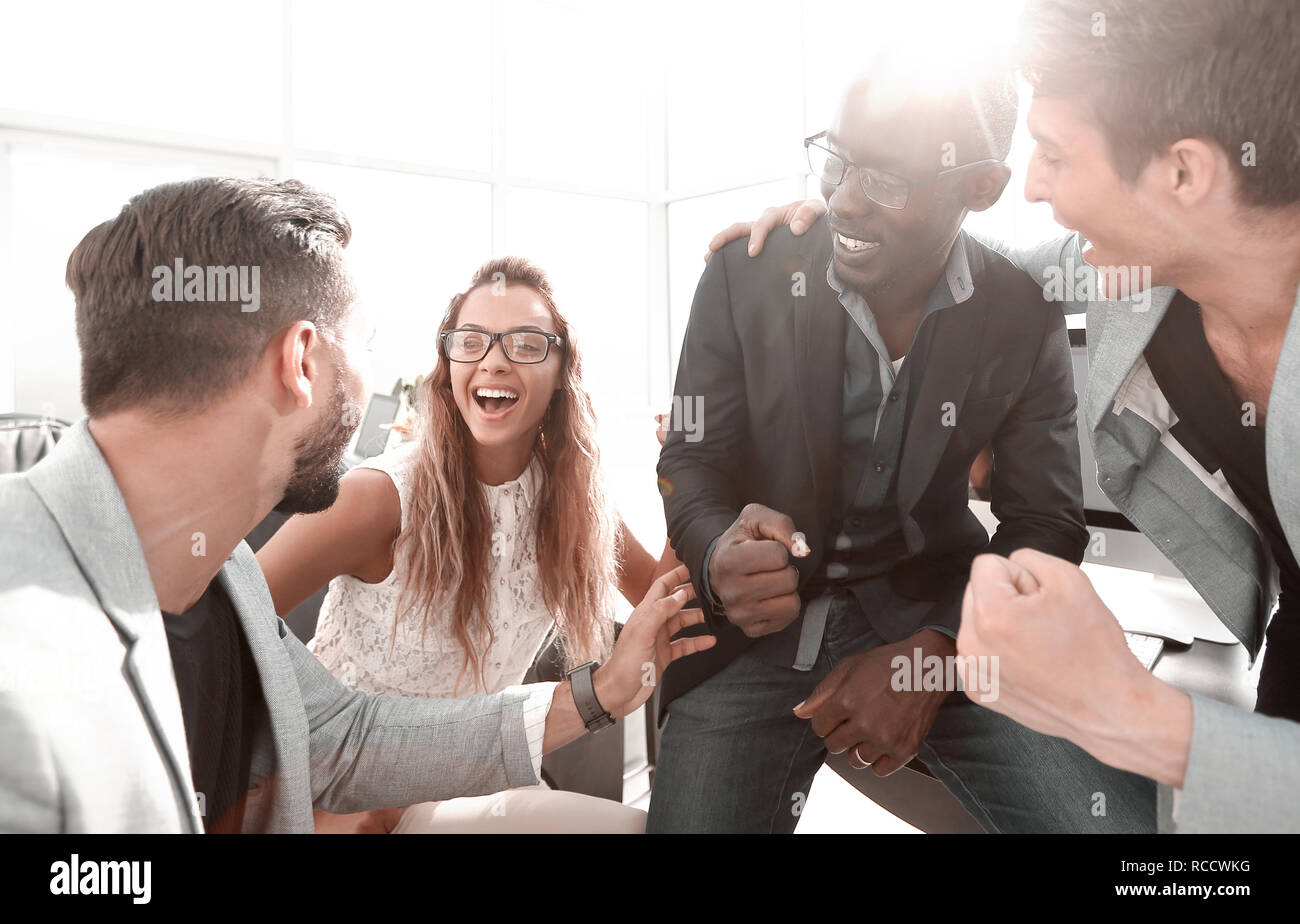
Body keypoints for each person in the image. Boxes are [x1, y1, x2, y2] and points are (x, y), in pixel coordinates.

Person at [710, 0, 1300, 834]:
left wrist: (1130, 712)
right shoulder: (1139, 269)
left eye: (1056, 155)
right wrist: (831, 227)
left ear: (1185, 174)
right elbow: (967, 258)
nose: (1032, 184)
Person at [0, 176, 712, 833]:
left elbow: (347, 738)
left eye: (524, 345)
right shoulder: (26, 635)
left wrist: (597, 694)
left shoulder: (226, 579)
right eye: (365, 344)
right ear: (303, 362)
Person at [649, 48, 1154, 833]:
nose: (845, 201)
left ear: (979, 187)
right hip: (745, 644)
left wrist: (939, 654)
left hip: (936, 618)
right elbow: (690, 459)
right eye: (837, 161)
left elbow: (1046, 524)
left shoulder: (1021, 314)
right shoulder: (743, 274)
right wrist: (716, 555)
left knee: (1127, 840)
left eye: (885, 179)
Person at [257, 256, 678, 833]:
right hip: (343, 801)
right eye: (472, 340)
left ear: (562, 371)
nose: (495, 360)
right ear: (448, 364)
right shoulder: (379, 498)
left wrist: (686, 470)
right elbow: (225, 626)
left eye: (526, 343)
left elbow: (667, 603)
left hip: (472, 782)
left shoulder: (577, 504)